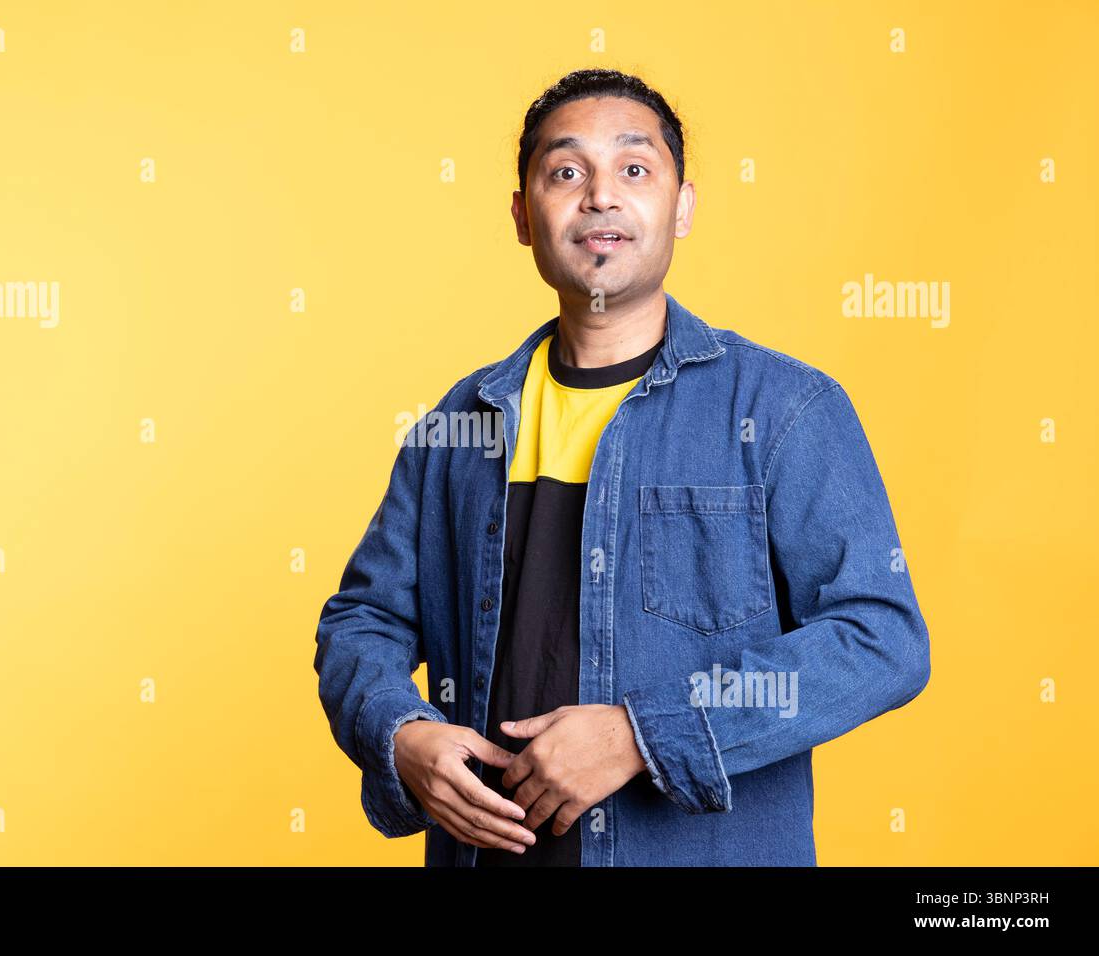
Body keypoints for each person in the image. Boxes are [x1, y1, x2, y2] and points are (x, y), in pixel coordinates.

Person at [313, 67, 931, 866]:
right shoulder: (460, 425)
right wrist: (401, 735)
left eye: (634, 169)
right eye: (566, 172)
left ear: (683, 208)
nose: (600, 196)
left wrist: (646, 734)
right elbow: (363, 620)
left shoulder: (784, 409)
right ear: (522, 217)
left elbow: (881, 639)